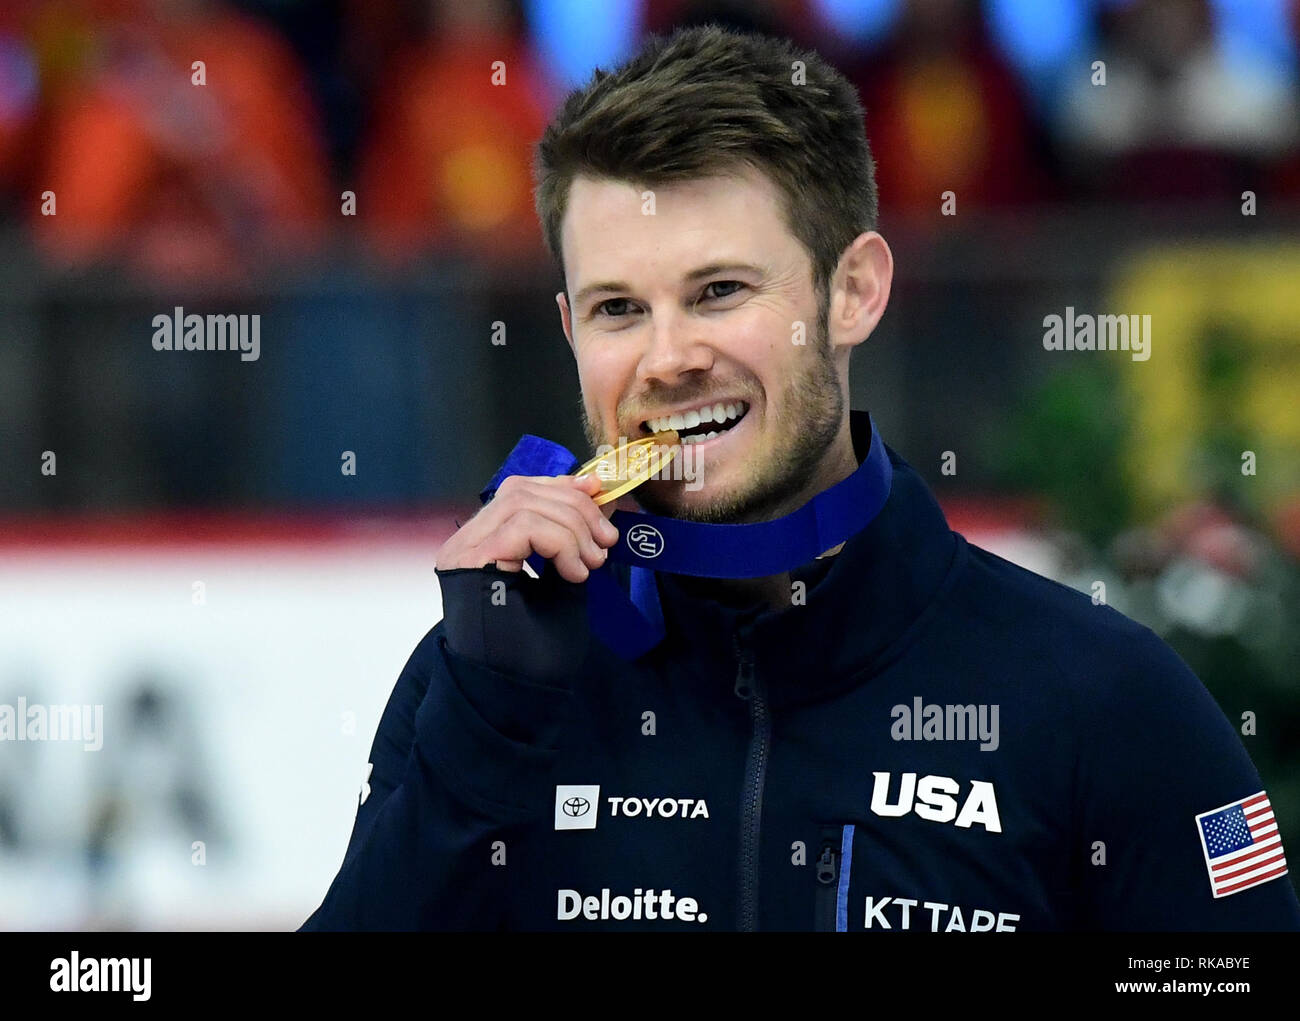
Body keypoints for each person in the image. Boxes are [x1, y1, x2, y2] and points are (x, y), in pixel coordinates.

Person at [300, 24, 1299, 931]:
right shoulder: (481, 686)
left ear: (852, 290)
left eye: (720, 291)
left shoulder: (1102, 698)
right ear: (568, 329)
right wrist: (481, 732)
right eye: (617, 309)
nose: (667, 357)